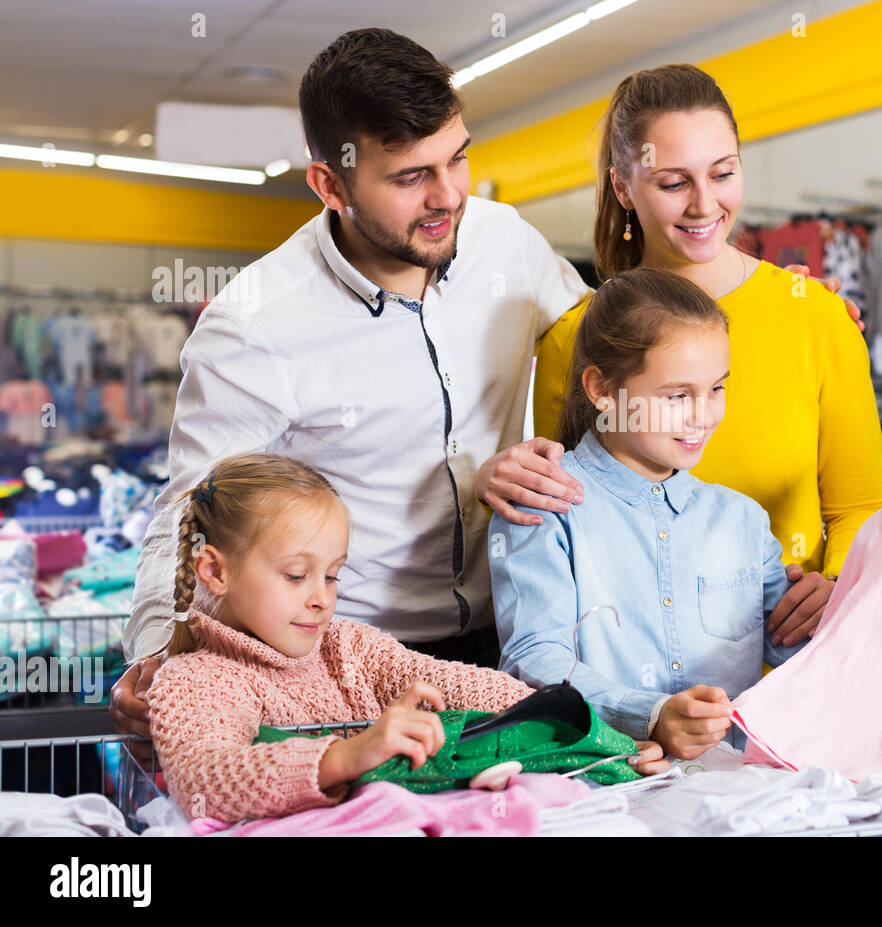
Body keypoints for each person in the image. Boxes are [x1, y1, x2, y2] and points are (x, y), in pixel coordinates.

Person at [110, 27, 593, 739]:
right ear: (329, 184)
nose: (447, 195)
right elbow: (192, 509)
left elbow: (611, 358)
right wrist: (158, 649)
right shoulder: (253, 325)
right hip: (348, 671)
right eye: (408, 177)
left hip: (508, 640)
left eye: (457, 157)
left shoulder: (506, 243)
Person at [481, 64, 882, 649]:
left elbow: (863, 506)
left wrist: (839, 583)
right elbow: (563, 525)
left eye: (722, 174)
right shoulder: (574, 341)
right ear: (623, 187)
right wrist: (503, 478)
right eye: (674, 183)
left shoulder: (817, 316)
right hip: (630, 696)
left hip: (793, 669)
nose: (705, 205)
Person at [147, 452, 666, 824]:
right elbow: (205, 778)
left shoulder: (349, 648)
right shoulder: (196, 680)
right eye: (295, 575)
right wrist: (347, 757)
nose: (320, 598)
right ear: (215, 570)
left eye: (332, 575)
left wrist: (596, 738)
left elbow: (465, 686)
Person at [492, 268, 814, 761]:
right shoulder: (546, 505)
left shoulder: (743, 522)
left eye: (716, 389)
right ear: (602, 389)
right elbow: (533, 659)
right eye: (677, 395)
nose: (703, 416)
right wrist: (648, 713)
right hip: (603, 792)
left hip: (741, 799)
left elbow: (808, 653)